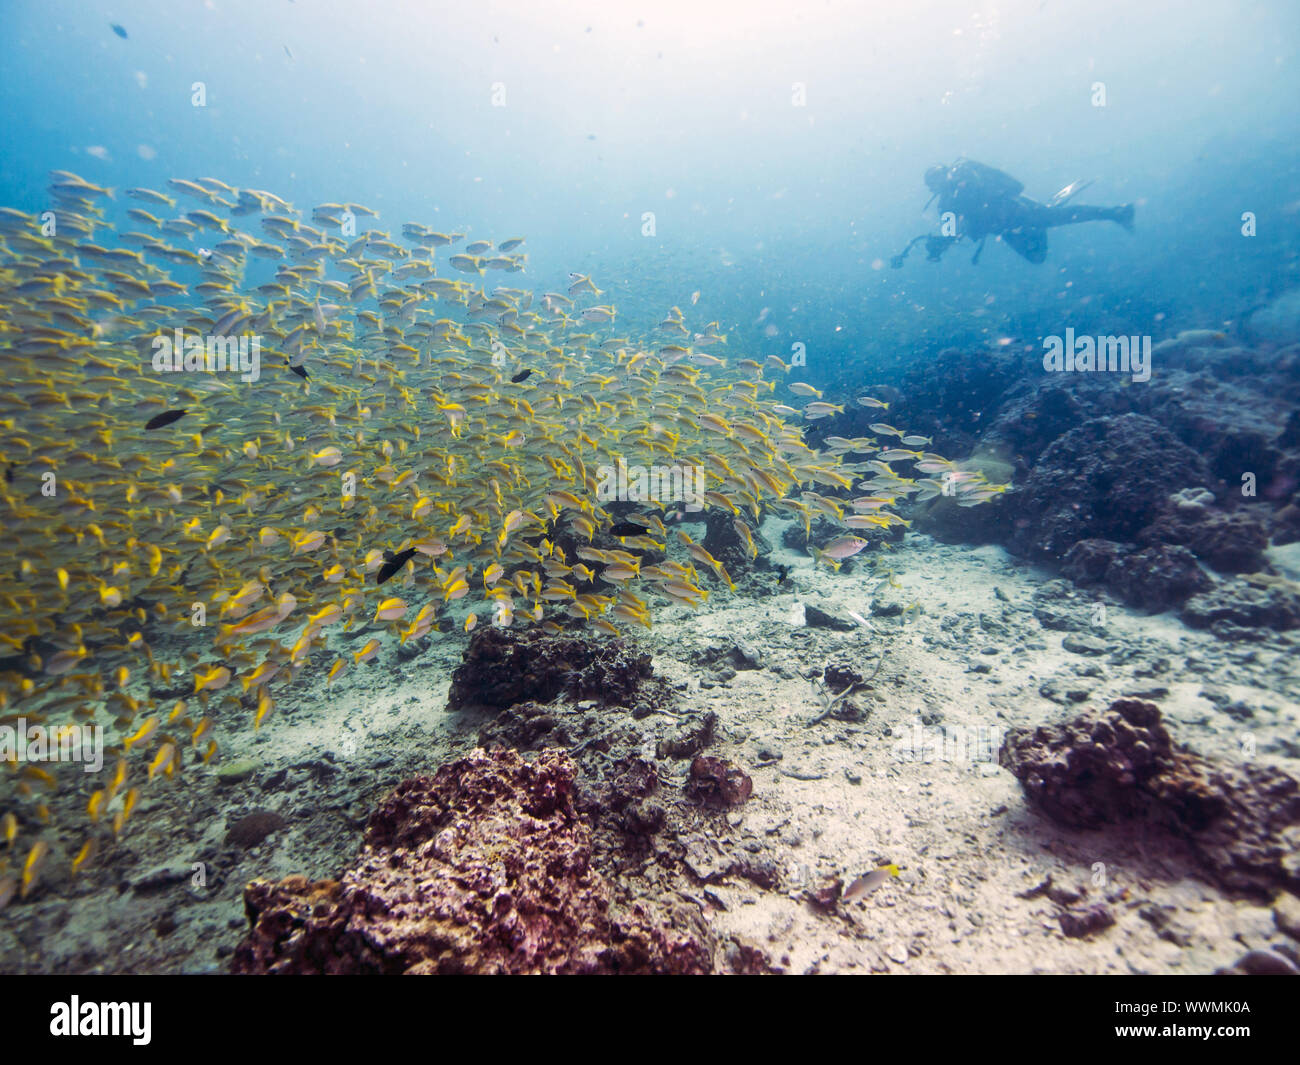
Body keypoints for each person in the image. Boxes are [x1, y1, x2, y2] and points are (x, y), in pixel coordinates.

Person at [891, 159, 1134, 267]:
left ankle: (1117, 213)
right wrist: (937, 246)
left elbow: (952, 231)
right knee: (1038, 256)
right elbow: (950, 234)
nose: (939, 186)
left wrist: (942, 243)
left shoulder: (964, 181)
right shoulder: (946, 204)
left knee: (1054, 218)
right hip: (1006, 227)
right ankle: (1051, 210)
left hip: (1019, 213)